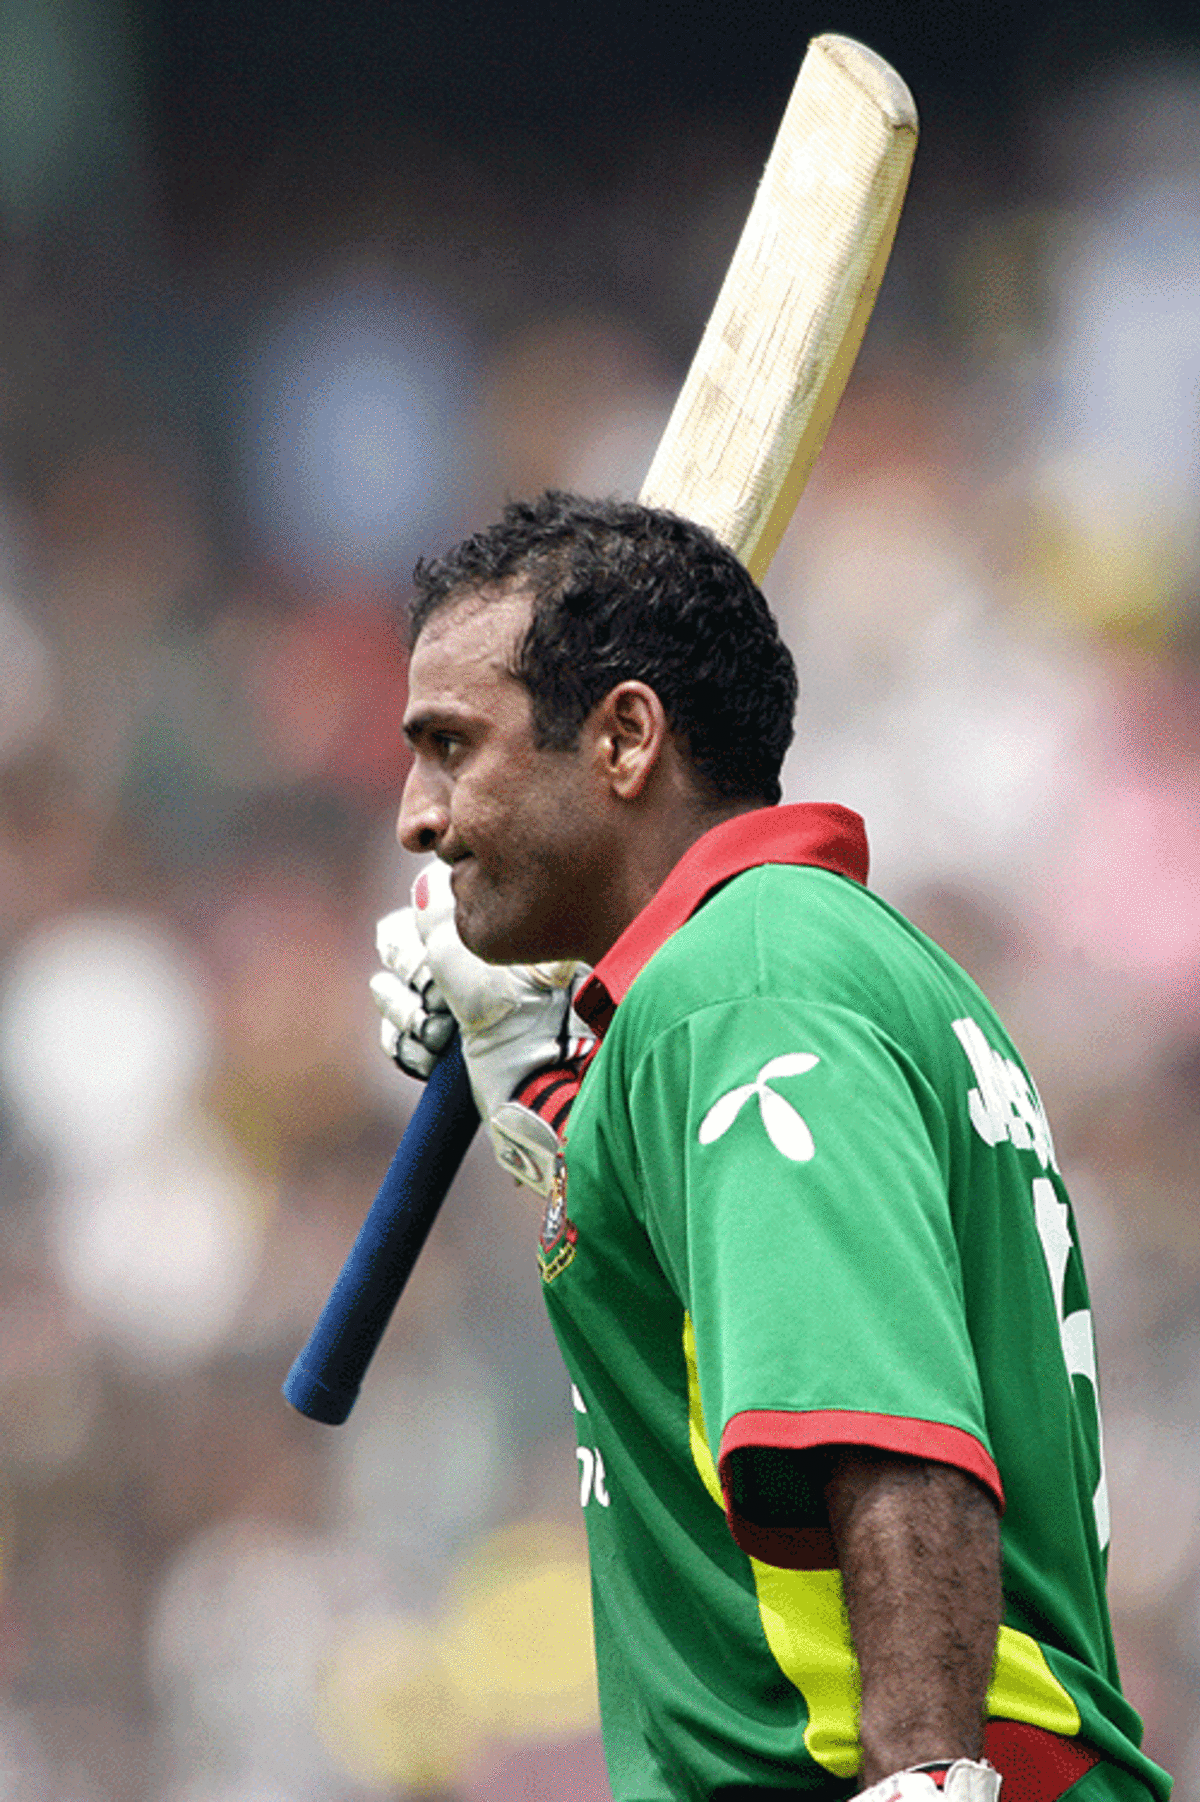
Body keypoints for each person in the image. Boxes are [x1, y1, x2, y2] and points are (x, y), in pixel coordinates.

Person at [369, 492, 1171, 1802]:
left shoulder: (746, 984)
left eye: (453, 747)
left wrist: (925, 1778)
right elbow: (678, 1277)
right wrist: (531, 1064)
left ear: (626, 737)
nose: (417, 813)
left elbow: (885, 1425)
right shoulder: (781, 974)